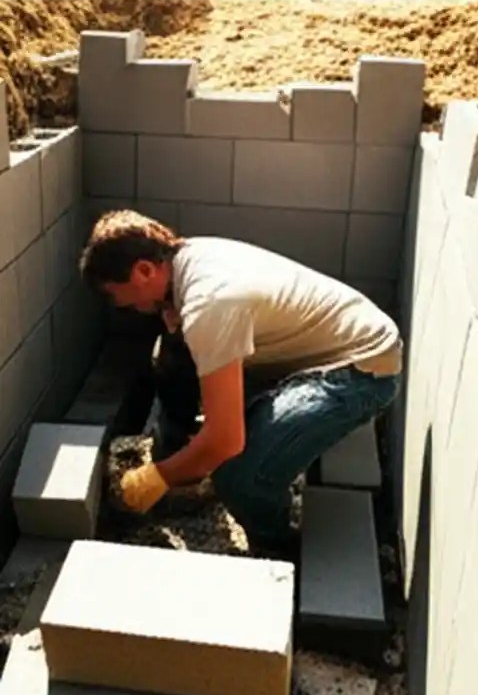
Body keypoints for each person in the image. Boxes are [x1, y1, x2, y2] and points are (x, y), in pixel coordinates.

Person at [78, 210, 403, 558]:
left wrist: (156, 478)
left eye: (121, 296)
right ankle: (187, 457)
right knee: (172, 355)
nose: (126, 306)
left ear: (144, 270)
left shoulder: (210, 303)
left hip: (359, 372)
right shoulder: (184, 257)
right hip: (323, 342)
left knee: (238, 476)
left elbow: (225, 441)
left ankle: (278, 546)